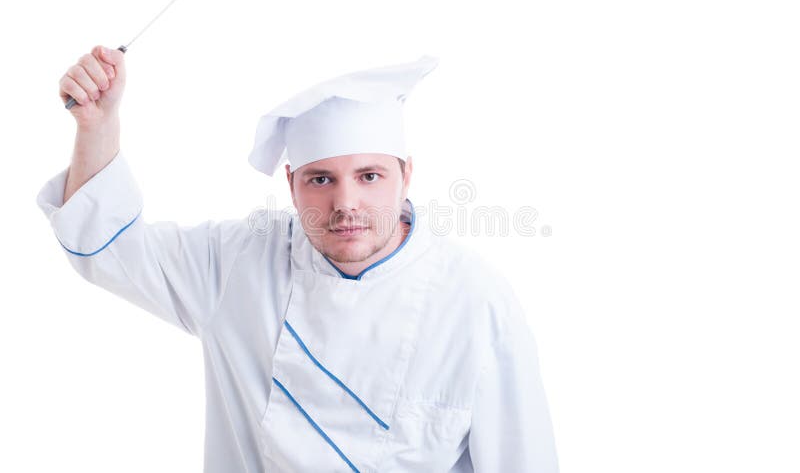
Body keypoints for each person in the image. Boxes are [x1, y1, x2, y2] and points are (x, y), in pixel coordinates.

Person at [36, 45, 560, 472]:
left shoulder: (475, 301)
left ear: (407, 177)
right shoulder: (236, 266)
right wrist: (97, 126)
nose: (345, 204)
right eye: (321, 179)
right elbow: (107, 247)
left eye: (369, 176)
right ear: (291, 184)